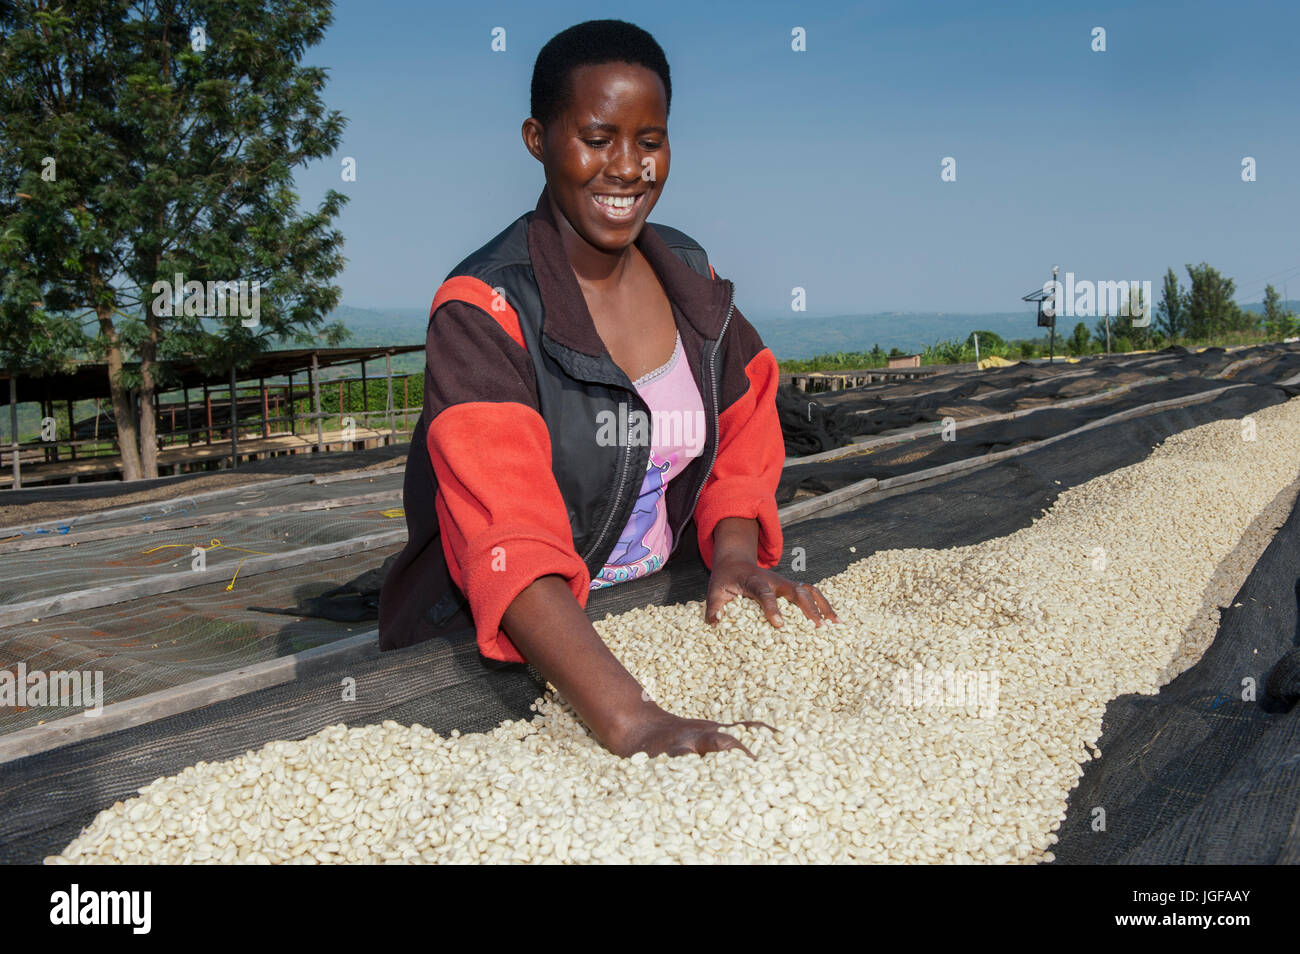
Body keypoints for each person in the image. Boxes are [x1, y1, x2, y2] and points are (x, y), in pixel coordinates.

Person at [378, 19, 838, 759]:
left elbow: (746, 419)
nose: (627, 167)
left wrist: (734, 552)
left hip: (651, 599)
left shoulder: (692, 277)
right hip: (518, 643)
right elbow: (509, 541)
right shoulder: (484, 310)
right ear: (538, 138)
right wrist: (628, 718)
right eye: (597, 139)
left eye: (649, 141)